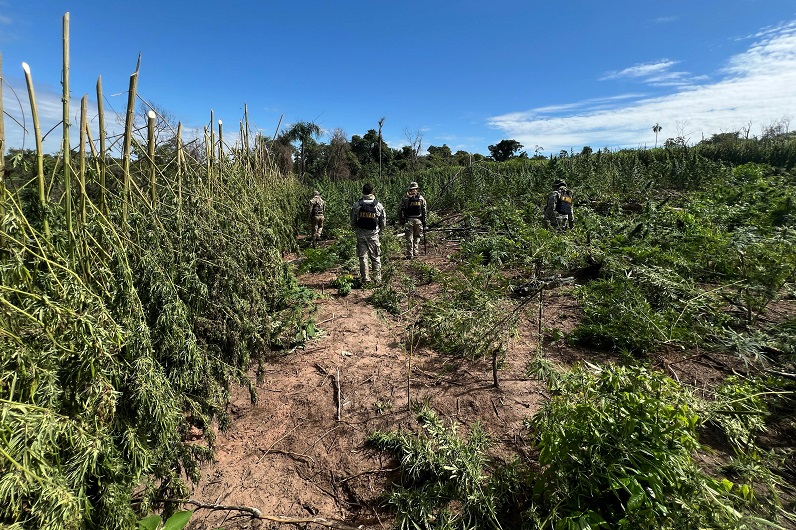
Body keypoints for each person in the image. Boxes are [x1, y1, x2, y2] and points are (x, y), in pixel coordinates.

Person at [350, 183, 386, 284]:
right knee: (375, 257)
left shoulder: (357, 205)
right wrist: (379, 232)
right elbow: (383, 222)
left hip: (361, 234)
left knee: (363, 257)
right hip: (373, 234)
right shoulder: (378, 205)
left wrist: (358, 230)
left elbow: (352, 222)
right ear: (372, 192)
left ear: (363, 191)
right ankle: (377, 279)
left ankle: (365, 279)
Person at [398, 181, 427, 259]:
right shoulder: (421, 198)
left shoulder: (405, 198)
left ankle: (409, 254)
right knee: (417, 236)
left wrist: (401, 219)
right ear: (417, 189)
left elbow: (399, 209)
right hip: (418, 220)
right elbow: (424, 210)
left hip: (409, 220)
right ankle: (415, 252)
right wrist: (424, 222)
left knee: (409, 238)